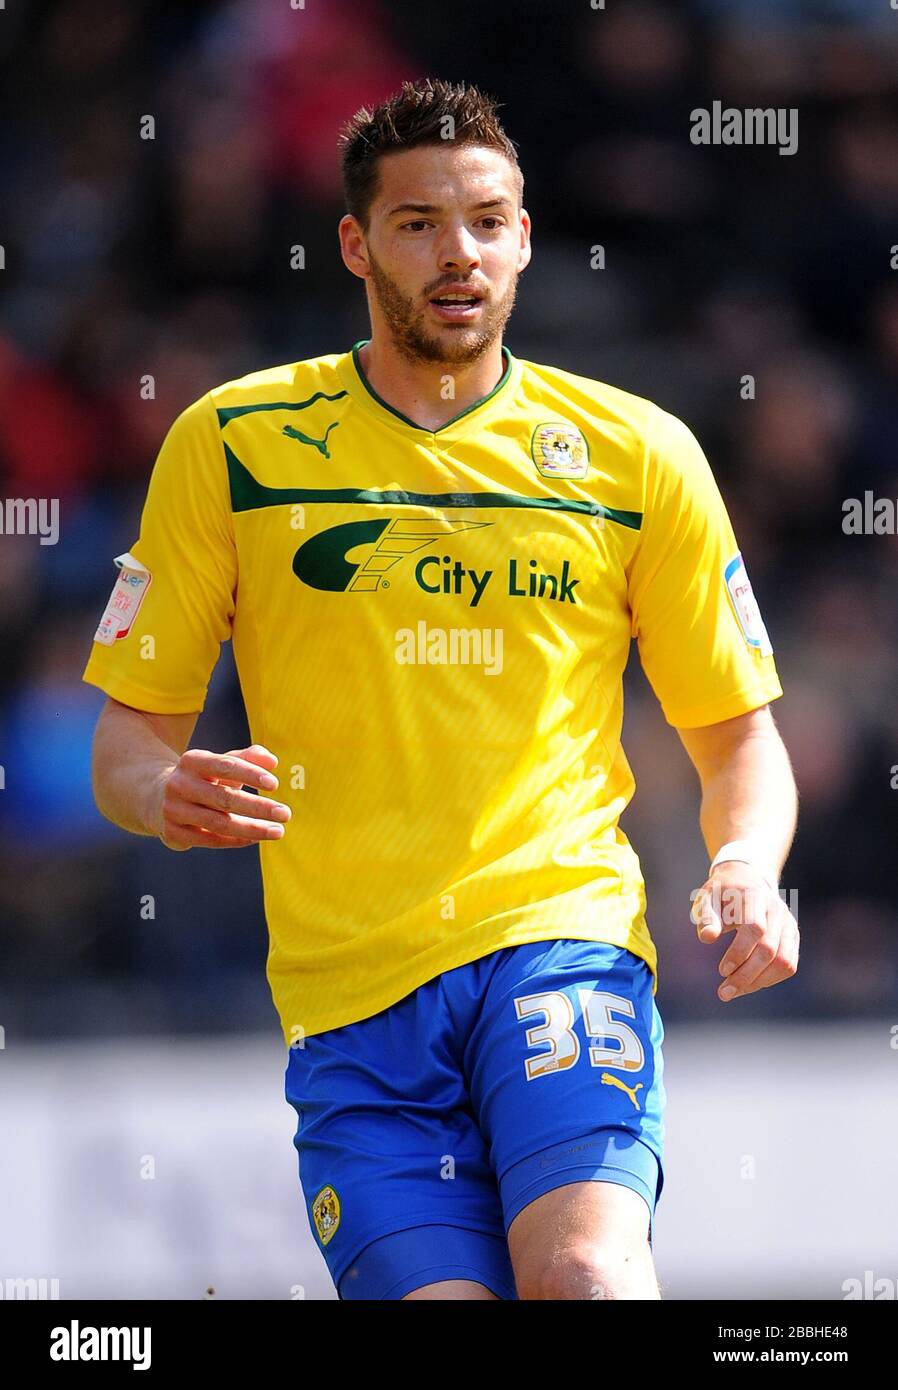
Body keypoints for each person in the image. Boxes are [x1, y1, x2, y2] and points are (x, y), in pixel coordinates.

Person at [83, 78, 799, 1301]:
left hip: (558, 938)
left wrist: (745, 865)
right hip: (348, 997)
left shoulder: (639, 455)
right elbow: (124, 747)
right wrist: (167, 792)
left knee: (585, 1273)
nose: (455, 253)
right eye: (416, 223)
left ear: (523, 237)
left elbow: (738, 736)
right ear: (357, 245)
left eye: (484, 220)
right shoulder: (231, 445)